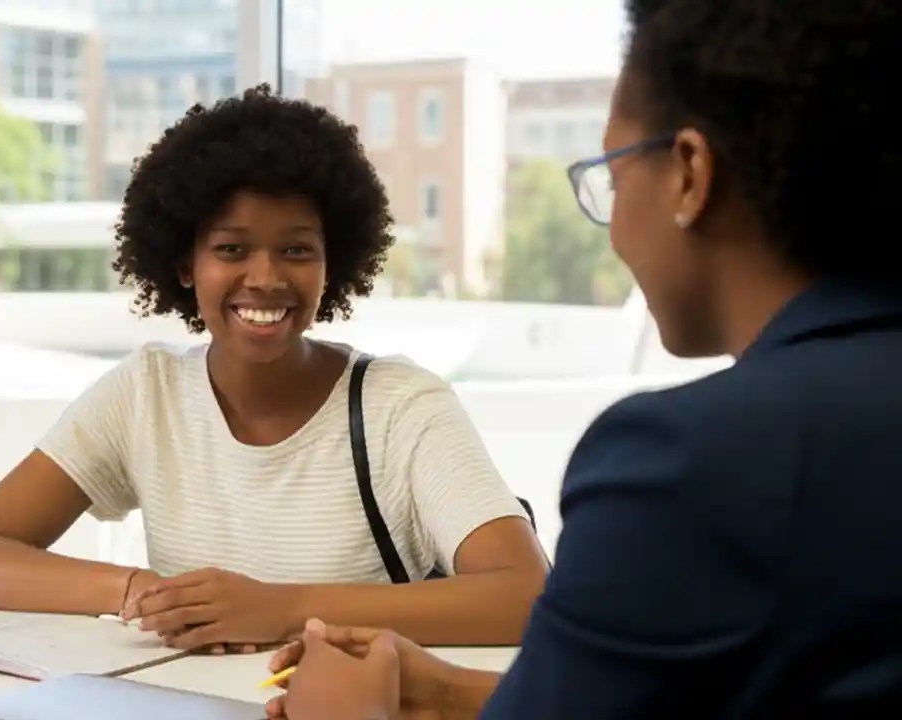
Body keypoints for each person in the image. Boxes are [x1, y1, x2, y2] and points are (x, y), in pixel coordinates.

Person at [266, 0, 902, 716]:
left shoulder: (689, 465)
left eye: (613, 172)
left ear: (690, 174)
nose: (614, 231)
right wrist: (445, 691)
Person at [0, 85, 549, 652]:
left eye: (297, 250)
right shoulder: (148, 394)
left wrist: (285, 610)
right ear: (184, 264)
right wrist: (141, 592)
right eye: (231, 248)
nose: (266, 278)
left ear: (332, 264)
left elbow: (526, 596)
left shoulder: (401, 407)